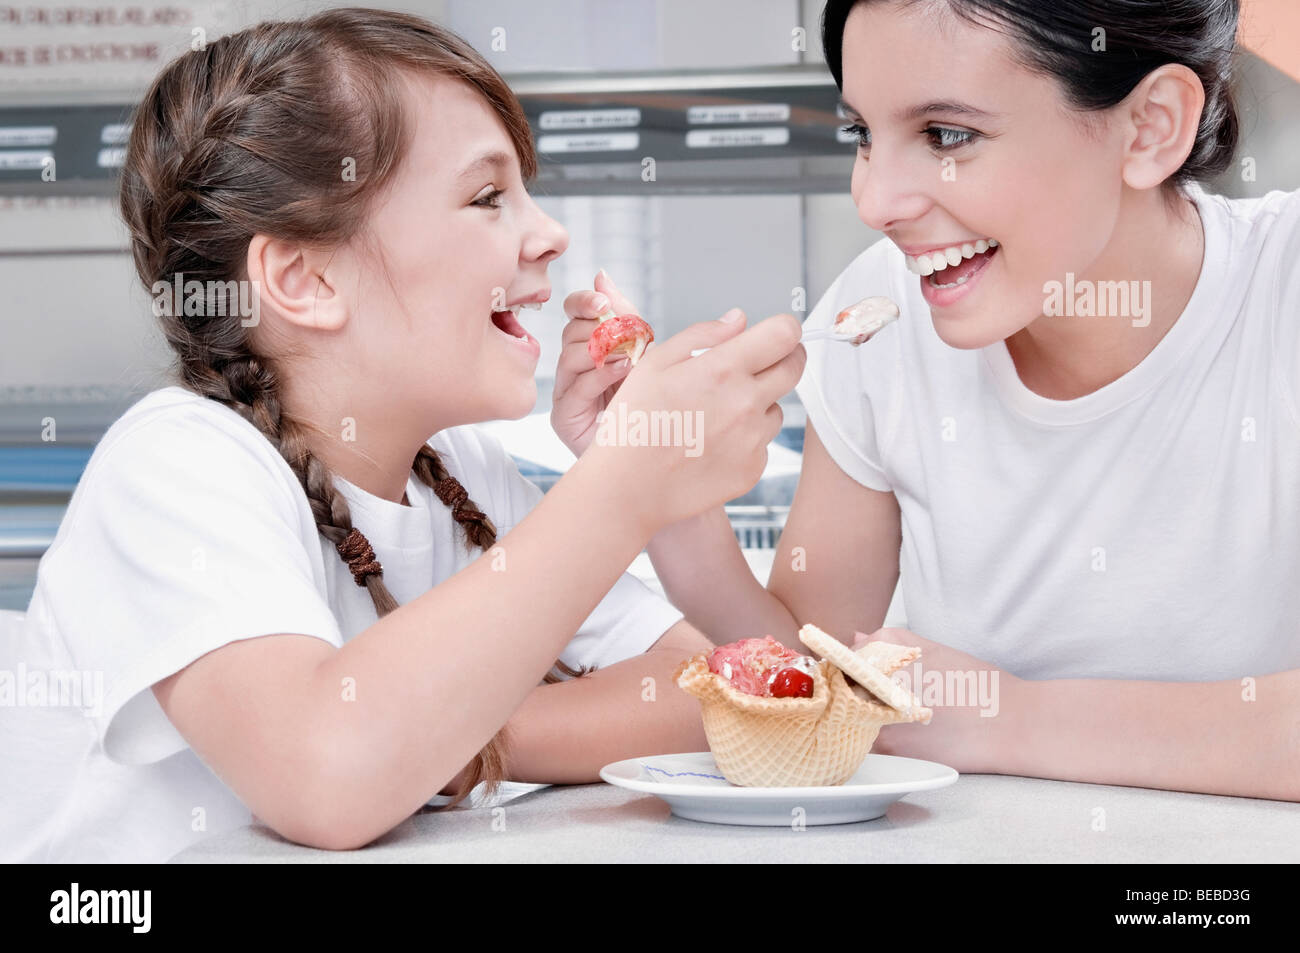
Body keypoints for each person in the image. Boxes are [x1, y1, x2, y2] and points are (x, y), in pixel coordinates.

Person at [0, 7, 804, 862]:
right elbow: (329, 776)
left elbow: (706, 697)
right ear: (304, 278)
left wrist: (459, 725)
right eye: (488, 195)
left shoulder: (463, 478)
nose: (551, 233)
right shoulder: (175, 464)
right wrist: (623, 486)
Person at [558, 0, 1300, 801]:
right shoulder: (879, 316)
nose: (875, 201)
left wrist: (1009, 717)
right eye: (863, 135)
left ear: (1151, 126)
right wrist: (662, 489)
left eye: (947, 136)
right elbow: (823, 677)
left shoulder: (1282, 289)